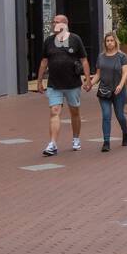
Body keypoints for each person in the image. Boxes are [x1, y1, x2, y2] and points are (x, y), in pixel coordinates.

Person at [37, 14, 91, 157]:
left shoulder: (75, 39)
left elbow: (84, 60)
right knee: (54, 111)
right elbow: (44, 61)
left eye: (57, 22)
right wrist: (39, 80)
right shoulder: (48, 41)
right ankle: (53, 144)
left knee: (74, 112)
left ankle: (76, 138)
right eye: (53, 22)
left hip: (72, 83)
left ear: (65, 24)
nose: (54, 24)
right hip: (54, 84)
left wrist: (88, 79)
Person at [89, 32, 127, 152]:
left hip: (119, 91)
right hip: (104, 91)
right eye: (107, 41)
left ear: (115, 41)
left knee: (120, 115)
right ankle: (106, 142)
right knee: (106, 115)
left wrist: (120, 85)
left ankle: (125, 133)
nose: (110, 43)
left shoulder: (122, 56)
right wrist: (90, 84)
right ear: (105, 43)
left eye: (112, 40)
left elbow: (125, 73)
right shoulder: (101, 56)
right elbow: (98, 74)